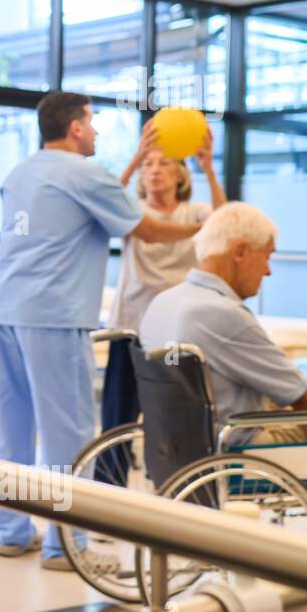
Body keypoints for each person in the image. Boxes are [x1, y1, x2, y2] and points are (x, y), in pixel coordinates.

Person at [0, 92, 199, 570]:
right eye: (92, 121)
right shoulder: (85, 173)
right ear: (76, 128)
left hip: (8, 312)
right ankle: (67, 546)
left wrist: (127, 164)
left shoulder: (21, 172)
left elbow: (102, 203)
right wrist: (201, 231)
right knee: (68, 432)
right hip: (55, 316)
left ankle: (12, 531)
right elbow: (142, 228)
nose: (98, 130)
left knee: (12, 428)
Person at [140, 202, 307, 497]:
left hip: (177, 452)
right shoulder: (223, 313)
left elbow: (290, 389)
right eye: (267, 256)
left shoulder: (164, 303)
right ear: (239, 252)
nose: (269, 271)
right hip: (241, 453)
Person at [102, 123, 226, 432]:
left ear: (181, 174)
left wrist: (209, 170)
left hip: (176, 328)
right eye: (148, 164)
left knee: (177, 418)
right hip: (131, 324)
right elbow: (105, 202)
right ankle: (107, 478)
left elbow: (223, 224)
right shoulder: (133, 210)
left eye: (164, 163)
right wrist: (133, 160)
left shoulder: (194, 210)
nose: (154, 170)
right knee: (119, 416)